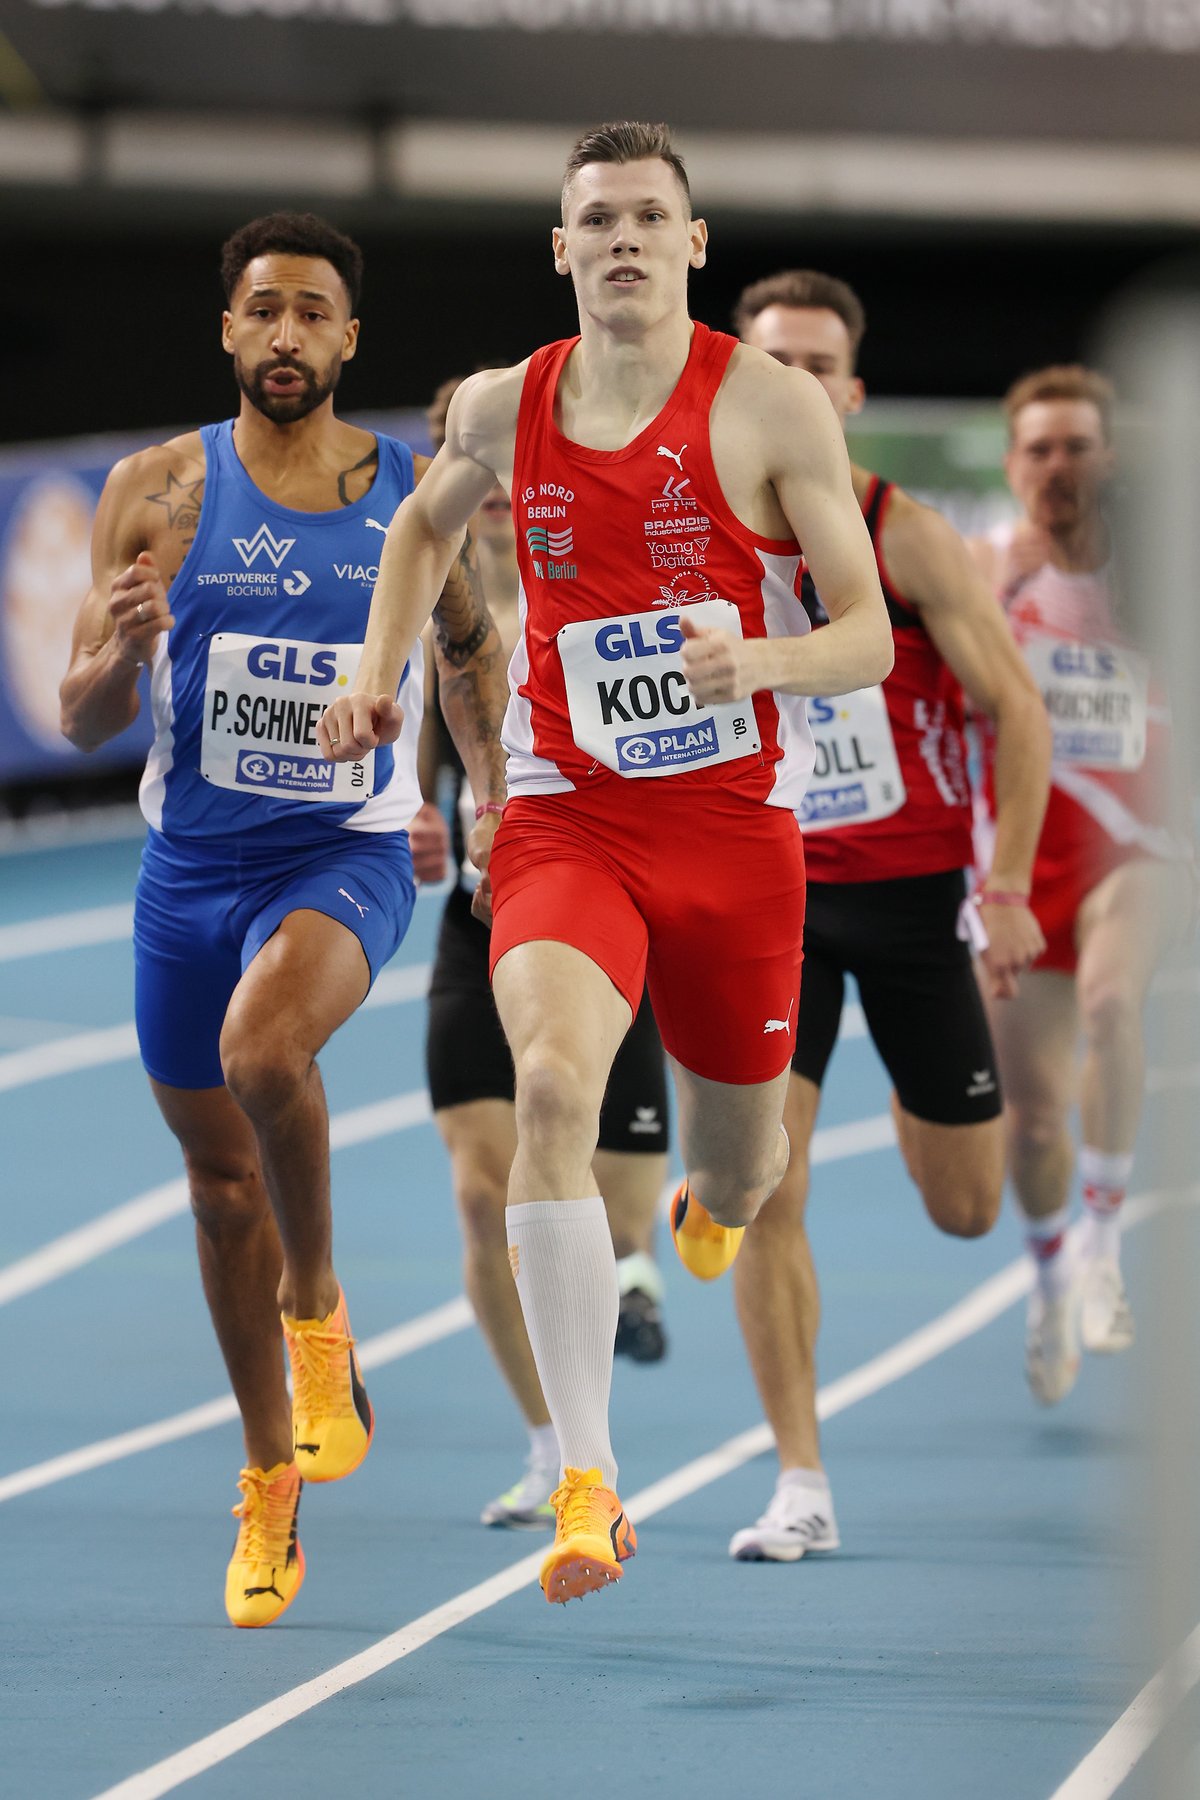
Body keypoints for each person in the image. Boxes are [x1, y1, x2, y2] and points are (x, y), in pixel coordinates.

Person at [320, 121, 893, 1606]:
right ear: (561, 250)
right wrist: (377, 672)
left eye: (653, 216)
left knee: (743, 1173)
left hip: (735, 834)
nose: (625, 238)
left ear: (696, 244)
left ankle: (711, 1204)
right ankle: (592, 1479)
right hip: (570, 817)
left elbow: (868, 638)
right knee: (554, 1094)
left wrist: (752, 657)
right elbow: (415, 535)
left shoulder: (768, 408)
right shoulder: (509, 408)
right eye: (599, 219)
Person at [59, 212, 508, 1628]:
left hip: (345, 853)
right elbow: (80, 719)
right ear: (230, 331)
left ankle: (318, 1314)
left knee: (266, 1057)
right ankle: (268, 1481)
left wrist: (487, 794)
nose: (289, 336)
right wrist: (122, 656)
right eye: (265, 311)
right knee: (217, 1188)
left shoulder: (411, 494)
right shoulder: (160, 487)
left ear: (350, 338)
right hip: (188, 874)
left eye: (315, 313)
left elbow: (470, 653)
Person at [723, 269, 1050, 1560]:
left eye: (818, 366)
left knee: (966, 1205)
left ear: (851, 394)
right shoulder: (703, 534)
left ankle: (950, 1119)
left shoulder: (902, 532)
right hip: (770, 899)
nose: (796, 384)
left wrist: (1008, 883)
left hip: (913, 908)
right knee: (766, 1189)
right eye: (773, 363)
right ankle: (800, 1481)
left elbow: (1015, 709)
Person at [417, 372, 671, 1532]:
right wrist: (415, 818)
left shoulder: (605, 592)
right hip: (480, 926)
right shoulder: (439, 615)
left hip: (597, 924)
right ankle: (551, 1447)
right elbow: (406, 763)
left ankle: (631, 1270)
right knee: (483, 1198)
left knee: (615, 1214)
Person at [969, 365, 1194, 1404]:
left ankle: (1104, 1244)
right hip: (1015, 867)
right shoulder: (983, 577)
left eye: (1080, 447)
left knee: (1114, 1001)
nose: (1060, 466)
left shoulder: (1166, 575)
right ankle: (1053, 1272)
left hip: (1134, 848)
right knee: (1033, 1120)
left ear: (1111, 460)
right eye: (1041, 449)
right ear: (1013, 465)